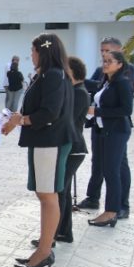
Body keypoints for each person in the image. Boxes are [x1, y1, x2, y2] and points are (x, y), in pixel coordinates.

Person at [3, 33, 74, 267]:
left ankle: (45, 251)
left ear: (43, 51)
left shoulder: (53, 75)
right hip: (43, 141)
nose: (30, 55)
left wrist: (21, 120)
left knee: (48, 195)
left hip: (51, 142)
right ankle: (42, 248)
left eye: (33, 51)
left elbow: (50, 112)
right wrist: (16, 121)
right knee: (43, 194)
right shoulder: (46, 75)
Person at [81, 36, 134, 217]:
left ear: (119, 54)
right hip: (100, 127)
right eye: (102, 52)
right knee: (100, 163)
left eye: (108, 52)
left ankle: (120, 207)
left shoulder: (126, 72)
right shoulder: (103, 72)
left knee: (117, 167)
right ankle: (93, 198)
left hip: (116, 128)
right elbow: (97, 87)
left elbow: (125, 106)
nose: (104, 56)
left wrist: (97, 112)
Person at [53, 56, 89, 243]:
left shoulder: (80, 92)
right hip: (69, 147)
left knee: (59, 190)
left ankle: (55, 232)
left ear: (72, 71)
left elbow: (66, 119)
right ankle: (64, 232)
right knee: (63, 191)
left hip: (74, 149)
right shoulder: (73, 90)